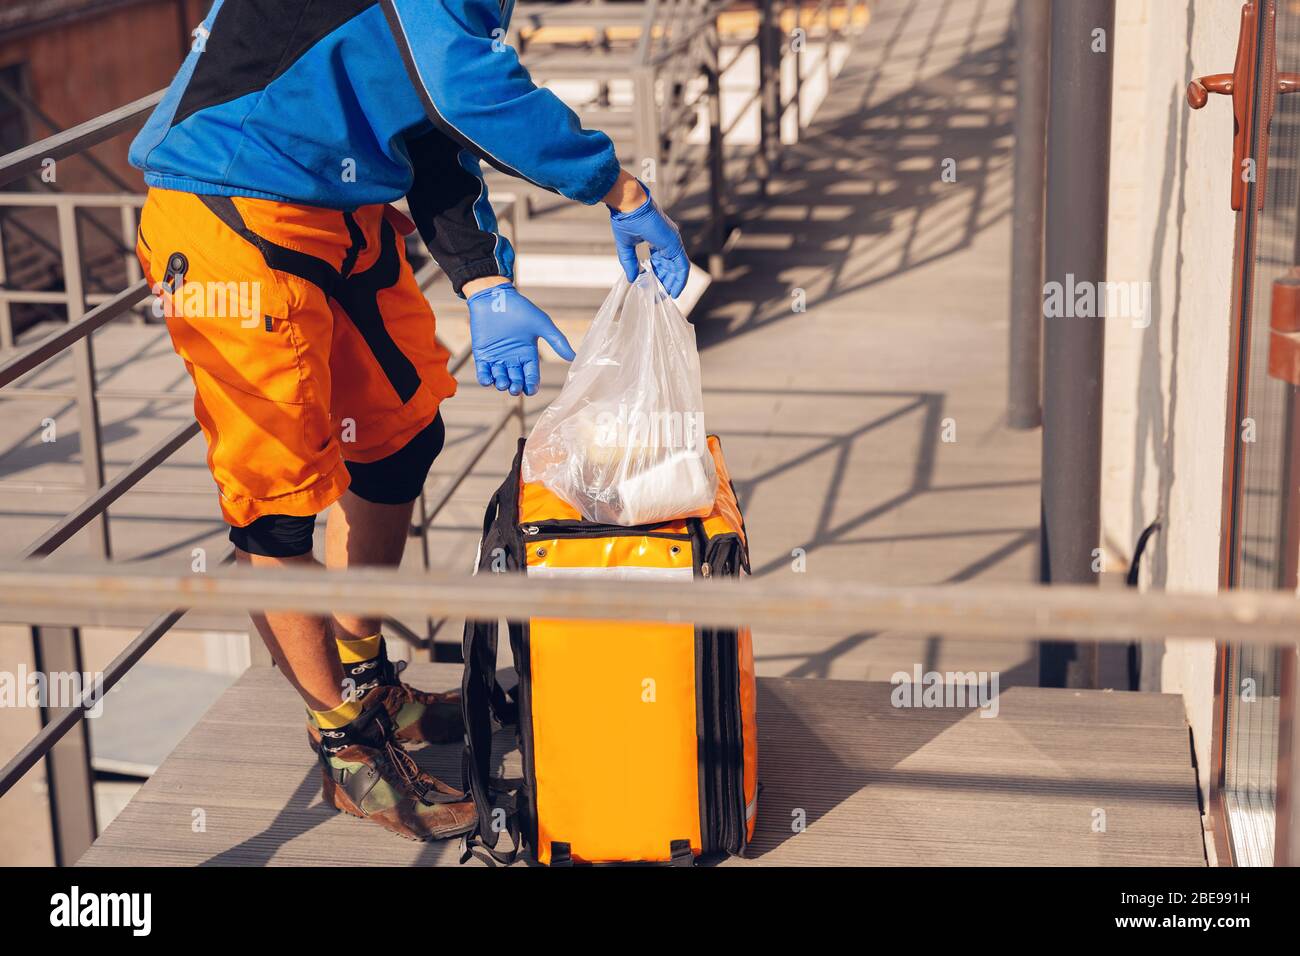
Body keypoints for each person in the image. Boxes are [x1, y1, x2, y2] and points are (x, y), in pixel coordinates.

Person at [129, 0, 690, 842]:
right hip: (226, 217)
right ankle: (348, 750)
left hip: (335, 205)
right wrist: (618, 186)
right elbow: (467, 90)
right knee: (275, 508)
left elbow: (428, 118)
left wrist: (481, 278)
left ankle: (364, 677)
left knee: (400, 437)